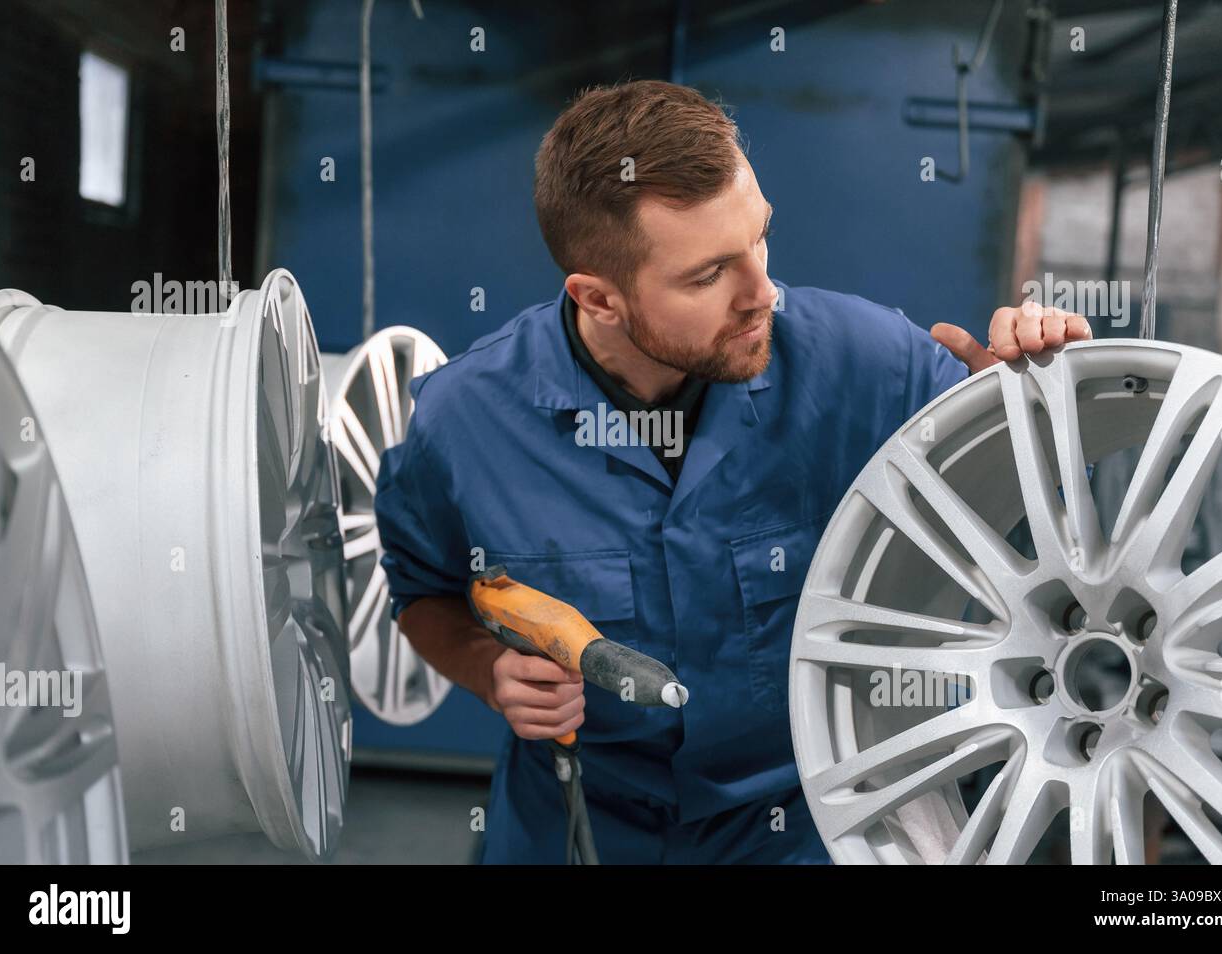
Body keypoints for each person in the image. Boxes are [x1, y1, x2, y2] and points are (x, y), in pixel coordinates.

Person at [374, 79, 1090, 864]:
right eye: (708, 275)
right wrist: (487, 670)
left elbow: (1037, 529)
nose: (762, 293)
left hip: (809, 820)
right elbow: (425, 591)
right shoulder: (466, 421)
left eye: (760, 238)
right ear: (598, 299)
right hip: (578, 821)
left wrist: (1036, 401)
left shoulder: (869, 365)